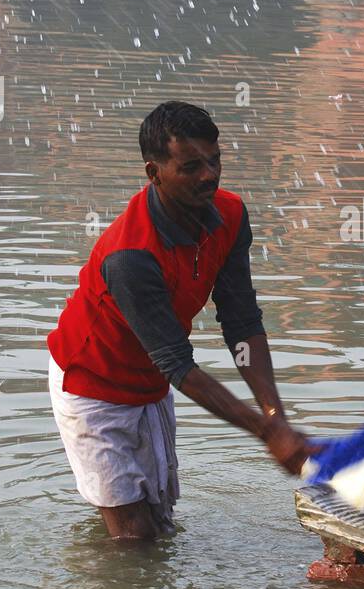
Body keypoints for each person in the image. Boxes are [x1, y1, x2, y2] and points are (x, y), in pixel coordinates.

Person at [47, 100, 318, 539]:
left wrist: (275, 414)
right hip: (92, 386)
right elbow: (176, 362)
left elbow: (241, 319)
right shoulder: (130, 256)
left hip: (149, 384)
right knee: (135, 539)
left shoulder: (229, 215)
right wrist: (266, 431)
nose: (209, 175)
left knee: (161, 524)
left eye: (214, 161)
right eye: (191, 167)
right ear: (154, 173)